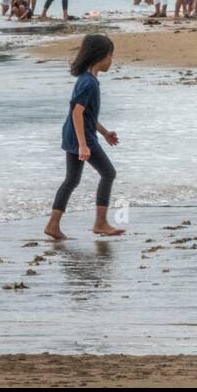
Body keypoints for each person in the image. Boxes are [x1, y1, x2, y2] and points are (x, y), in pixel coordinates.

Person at [45, 34, 123, 240]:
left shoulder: (86, 79)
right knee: (108, 173)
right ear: (101, 56)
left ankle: (53, 225)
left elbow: (86, 114)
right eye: (111, 55)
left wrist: (105, 133)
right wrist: (83, 145)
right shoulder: (89, 83)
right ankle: (100, 223)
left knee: (71, 179)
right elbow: (77, 113)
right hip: (81, 137)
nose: (112, 60)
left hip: (73, 134)